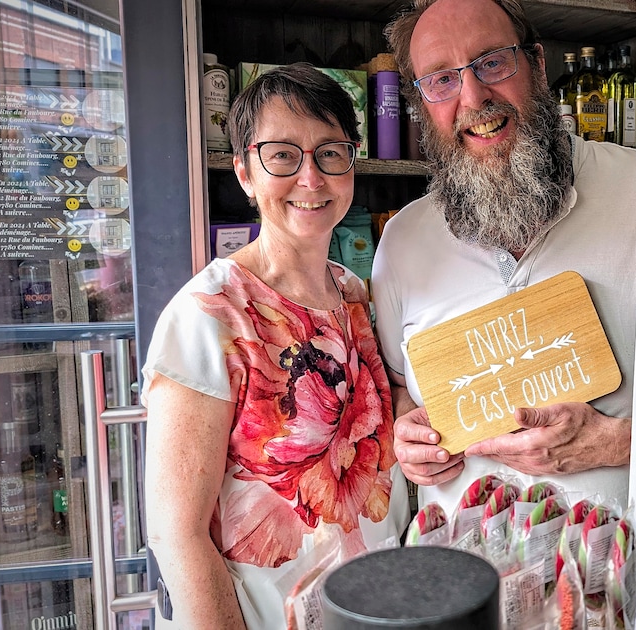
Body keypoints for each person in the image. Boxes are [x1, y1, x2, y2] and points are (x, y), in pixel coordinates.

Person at [373, 0, 636, 512]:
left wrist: (617, 442)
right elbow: (403, 386)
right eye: (441, 80)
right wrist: (409, 436)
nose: (473, 96)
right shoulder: (402, 240)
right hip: (458, 581)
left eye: (492, 62)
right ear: (422, 101)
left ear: (537, 64)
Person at [142, 64, 408, 630]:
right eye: (282, 155)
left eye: (330, 153)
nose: (311, 179)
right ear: (244, 172)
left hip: (378, 607)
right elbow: (177, 532)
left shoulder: (354, 294)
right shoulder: (209, 315)